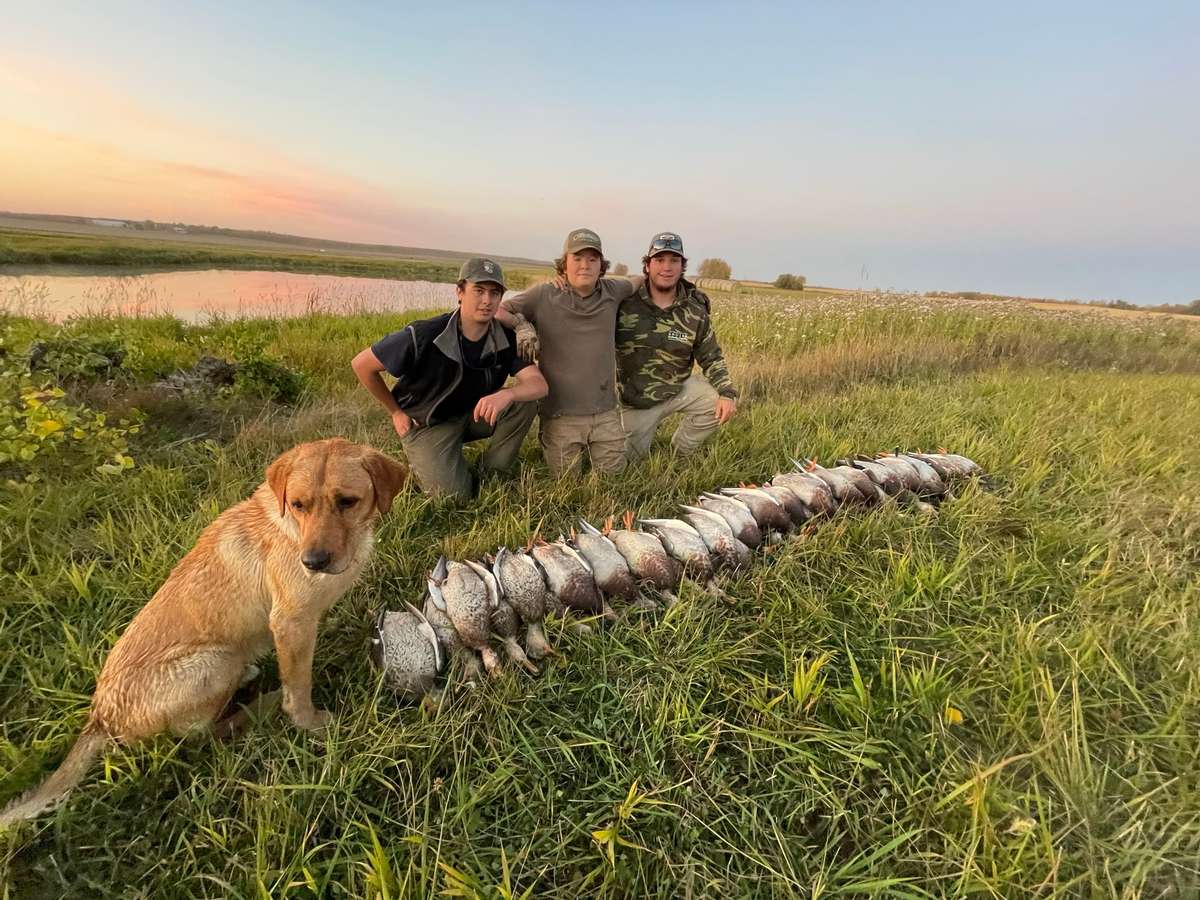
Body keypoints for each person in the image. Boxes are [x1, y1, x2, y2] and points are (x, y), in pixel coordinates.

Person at [352, 257, 547, 500]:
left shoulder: (504, 337)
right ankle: (435, 465)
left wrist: (507, 393)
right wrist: (395, 412)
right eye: (478, 290)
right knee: (453, 499)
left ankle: (494, 472)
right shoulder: (424, 334)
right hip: (428, 424)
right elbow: (362, 365)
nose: (487, 300)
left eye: (494, 293)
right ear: (460, 292)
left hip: (473, 414)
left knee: (524, 401)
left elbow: (539, 385)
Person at [497, 228, 641, 475]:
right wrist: (521, 325)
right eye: (577, 258)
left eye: (592, 259)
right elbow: (499, 310)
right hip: (561, 415)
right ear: (564, 264)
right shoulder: (544, 294)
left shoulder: (612, 291)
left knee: (613, 480)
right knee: (566, 483)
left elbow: (637, 282)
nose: (585, 265)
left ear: (601, 266)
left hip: (605, 413)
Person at [616, 231, 738, 458]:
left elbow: (711, 355)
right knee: (628, 463)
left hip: (676, 388)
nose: (667, 267)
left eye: (674, 260)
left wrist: (727, 393)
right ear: (647, 265)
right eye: (660, 260)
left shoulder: (694, 308)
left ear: (682, 266)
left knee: (716, 403)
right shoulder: (623, 302)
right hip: (635, 400)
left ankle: (680, 451)